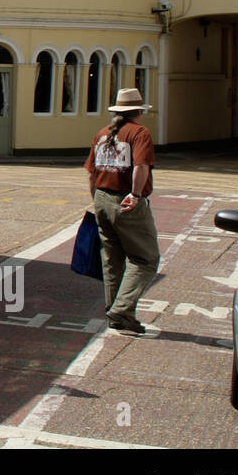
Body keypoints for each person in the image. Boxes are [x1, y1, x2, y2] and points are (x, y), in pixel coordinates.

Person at [85, 87, 160, 335]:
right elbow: (140, 166)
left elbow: (91, 172)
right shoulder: (139, 133)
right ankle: (123, 309)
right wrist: (136, 195)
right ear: (138, 111)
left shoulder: (102, 135)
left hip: (102, 198)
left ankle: (116, 312)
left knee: (112, 259)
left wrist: (96, 198)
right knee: (145, 259)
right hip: (125, 201)